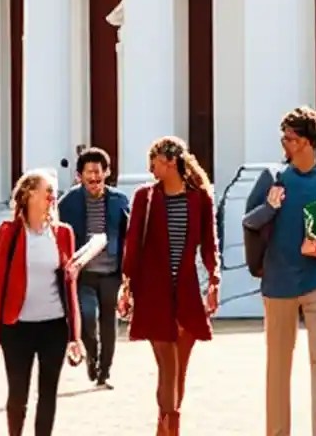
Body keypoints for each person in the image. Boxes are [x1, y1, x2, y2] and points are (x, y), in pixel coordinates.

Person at [242, 106, 316, 436]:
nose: (284, 143)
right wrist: (270, 207)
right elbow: (249, 222)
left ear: (308, 142)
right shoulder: (273, 176)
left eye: (290, 138)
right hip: (278, 283)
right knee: (278, 368)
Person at [117, 136, 220, 436]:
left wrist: (214, 280)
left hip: (187, 293)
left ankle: (168, 425)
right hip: (153, 293)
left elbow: (209, 246)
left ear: (171, 161)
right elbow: (132, 244)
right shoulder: (144, 198)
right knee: (166, 367)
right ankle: (168, 426)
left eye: (155, 164)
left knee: (180, 370)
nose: (152, 171)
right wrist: (127, 285)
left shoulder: (199, 198)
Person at [0, 169, 84, 436]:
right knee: (18, 394)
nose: (53, 196)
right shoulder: (9, 233)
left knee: (48, 393)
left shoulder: (64, 234)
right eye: (47, 190)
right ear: (29, 194)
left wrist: (75, 334)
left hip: (54, 326)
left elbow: (68, 285)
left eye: (54, 191)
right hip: (17, 327)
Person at [57, 146, 129, 388]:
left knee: (109, 322)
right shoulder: (68, 202)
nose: (94, 178)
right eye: (89, 173)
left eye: (98, 172)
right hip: (83, 274)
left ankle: (104, 372)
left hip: (111, 272)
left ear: (106, 173)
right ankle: (92, 357)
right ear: (80, 175)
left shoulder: (120, 200)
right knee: (87, 316)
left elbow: (127, 234)